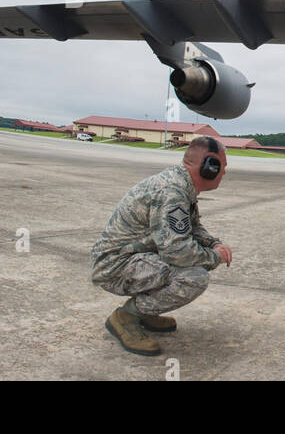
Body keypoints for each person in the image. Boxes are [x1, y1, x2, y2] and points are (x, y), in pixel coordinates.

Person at [91, 136, 234, 356]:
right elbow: (178, 252)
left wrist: (214, 243)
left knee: (187, 267)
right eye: (222, 166)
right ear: (209, 167)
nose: (224, 172)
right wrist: (214, 257)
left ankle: (146, 312)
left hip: (132, 257)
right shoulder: (172, 192)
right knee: (193, 277)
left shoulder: (181, 185)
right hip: (115, 265)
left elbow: (191, 228)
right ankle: (126, 317)